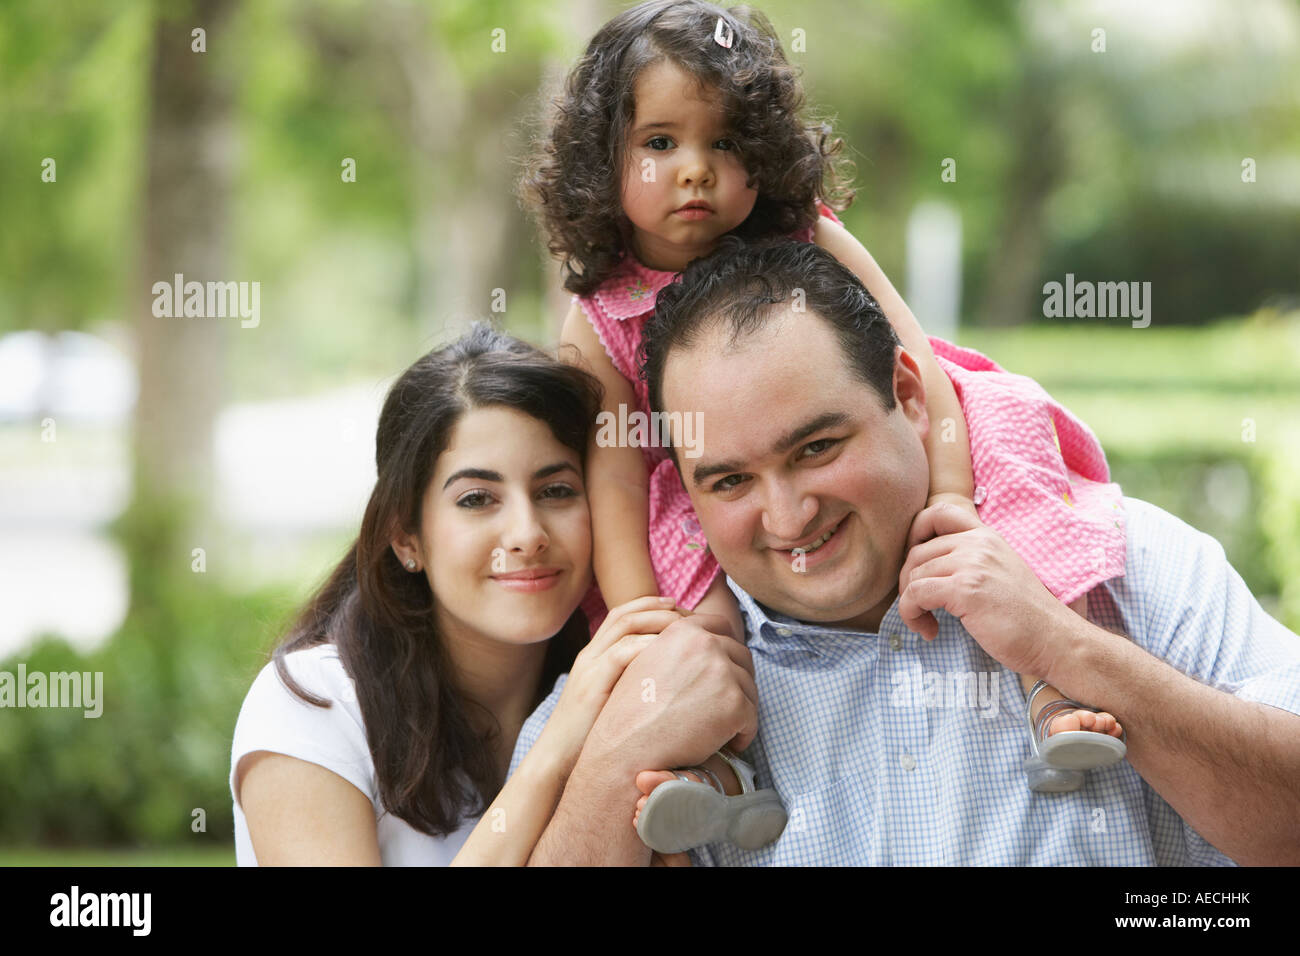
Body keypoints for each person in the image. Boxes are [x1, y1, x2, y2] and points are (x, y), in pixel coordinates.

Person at [522, 0, 1124, 851]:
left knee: (1011, 453)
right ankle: (718, 774)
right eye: (659, 144)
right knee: (704, 635)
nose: (694, 169)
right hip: (707, 488)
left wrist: (950, 500)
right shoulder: (602, 310)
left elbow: (910, 354)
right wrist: (647, 615)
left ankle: (1057, 686)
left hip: (898, 428)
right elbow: (616, 471)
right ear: (601, 162)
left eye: (723, 143)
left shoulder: (807, 234)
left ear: (763, 153)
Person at [508, 240, 1300, 865]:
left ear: (910, 397)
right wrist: (617, 767)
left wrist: (1065, 645)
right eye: (730, 481)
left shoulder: (1120, 565)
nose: (787, 516)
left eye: (817, 447)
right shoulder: (635, 687)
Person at [229, 324, 688, 865]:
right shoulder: (315, 706)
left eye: (556, 491)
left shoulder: (621, 686)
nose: (527, 533)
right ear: (406, 536)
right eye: (476, 499)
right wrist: (557, 749)